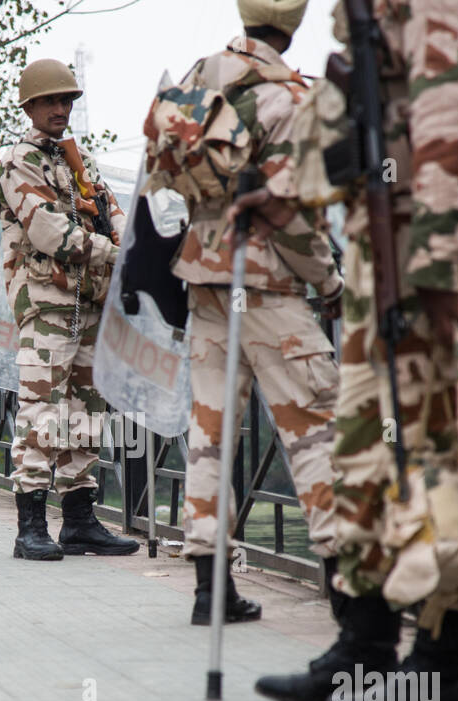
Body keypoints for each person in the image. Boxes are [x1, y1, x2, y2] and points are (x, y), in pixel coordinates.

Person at [247, 0, 458, 701]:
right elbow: (362, 100)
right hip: (382, 240)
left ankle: (440, 667)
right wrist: (285, 195)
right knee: (366, 451)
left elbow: (455, 106)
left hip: (425, 246)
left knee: (438, 450)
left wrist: (435, 265)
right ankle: (366, 648)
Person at [152, 0, 345, 626]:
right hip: (267, 288)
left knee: (210, 434)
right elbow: (289, 213)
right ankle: (351, 595)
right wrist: (331, 280)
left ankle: (211, 592)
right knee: (314, 428)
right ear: (294, 25)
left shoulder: (202, 74)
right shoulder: (290, 98)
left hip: (205, 280)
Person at [0, 59, 139, 559]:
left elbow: (113, 212)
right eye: (51, 100)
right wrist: (117, 252)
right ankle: (29, 524)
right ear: (29, 105)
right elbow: (49, 233)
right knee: (40, 411)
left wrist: (128, 238)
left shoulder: (81, 162)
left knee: (87, 411)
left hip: (89, 301)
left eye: (67, 100)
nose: (61, 108)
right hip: (48, 303)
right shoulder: (20, 162)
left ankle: (78, 519)